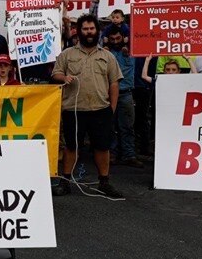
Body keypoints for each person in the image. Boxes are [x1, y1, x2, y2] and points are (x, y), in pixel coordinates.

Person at [51, 14, 124, 199]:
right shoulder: (67, 54)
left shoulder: (107, 56)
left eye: (92, 28)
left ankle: (104, 182)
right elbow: (56, 74)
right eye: (85, 29)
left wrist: (111, 109)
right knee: (71, 146)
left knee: (102, 147)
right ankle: (65, 181)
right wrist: (63, 77)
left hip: (101, 109)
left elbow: (114, 83)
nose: (89, 32)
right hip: (73, 110)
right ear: (79, 31)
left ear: (97, 31)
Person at [104, 24, 142, 168]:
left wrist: (128, 44)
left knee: (127, 126)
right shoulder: (105, 53)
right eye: (112, 39)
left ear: (123, 37)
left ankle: (129, 155)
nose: (115, 41)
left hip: (126, 93)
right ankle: (112, 154)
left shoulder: (132, 51)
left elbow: (135, 31)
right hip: (108, 94)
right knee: (110, 126)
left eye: (118, 38)